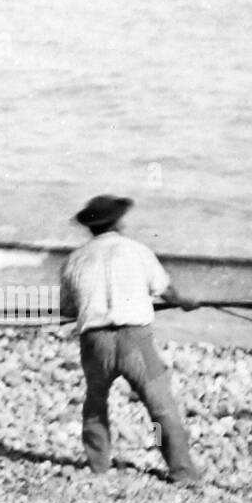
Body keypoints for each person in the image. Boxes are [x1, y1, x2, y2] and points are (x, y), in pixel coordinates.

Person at [59, 195, 202, 484]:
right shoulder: (138, 251)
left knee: (96, 402)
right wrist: (186, 302)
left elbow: (67, 309)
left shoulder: (74, 260)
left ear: (90, 228)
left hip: (95, 341)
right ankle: (181, 470)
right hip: (137, 340)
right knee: (159, 407)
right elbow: (168, 292)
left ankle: (98, 464)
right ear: (119, 222)